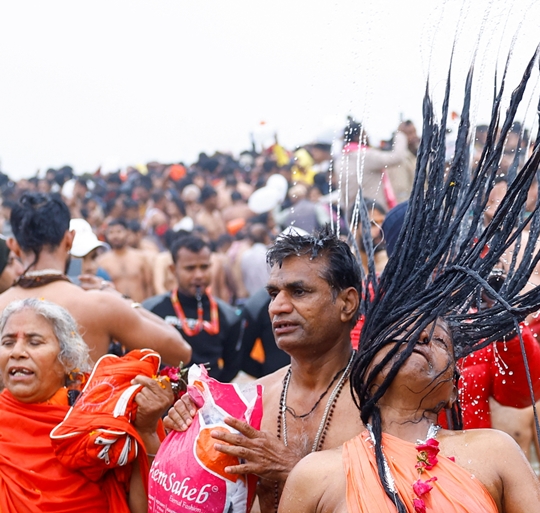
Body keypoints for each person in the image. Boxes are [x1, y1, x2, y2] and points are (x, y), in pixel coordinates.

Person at [164, 227, 365, 513]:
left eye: (298, 291)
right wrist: (175, 436)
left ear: (347, 303)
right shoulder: (250, 398)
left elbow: (403, 492)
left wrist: (294, 469)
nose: (277, 307)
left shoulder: (380, 396)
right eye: (273, 293)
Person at [280, 319, 540, 513]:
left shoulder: (496, 452)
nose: (421, 337)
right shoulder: (314, 475)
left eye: (440, 340)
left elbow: (528, 387)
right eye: (401, 331)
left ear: (453, 390)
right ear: (364, 371)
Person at [0, 298, 172, 512]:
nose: (16, 352)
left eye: (34, 342)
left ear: (67, 359)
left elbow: (146, 508)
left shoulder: (108, 411)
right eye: (7, 342)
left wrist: (146, 430)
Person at [0, 193, 191, 366]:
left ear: (13, 246)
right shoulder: (100, 305)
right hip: (80, 405)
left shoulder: (3, 305)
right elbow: (181, 351)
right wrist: (121, 300)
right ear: (69, 239)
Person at [142, 234, 245, 382]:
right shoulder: (151, 310)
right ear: (173, 270)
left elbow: (232, 365)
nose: (199, 275)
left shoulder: (229, 316)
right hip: (164, 399)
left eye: (204, 267)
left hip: (209, 399)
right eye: (190, 268)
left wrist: (211, 391)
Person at [97, 218, 154, 302]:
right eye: (111, 232)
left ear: (127, 232)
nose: (115, 236)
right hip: (117, 309)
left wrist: (149, 306)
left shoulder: (140, 258)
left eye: (119, 232)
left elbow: (149, 286)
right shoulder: (102, 262)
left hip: (141, 306)